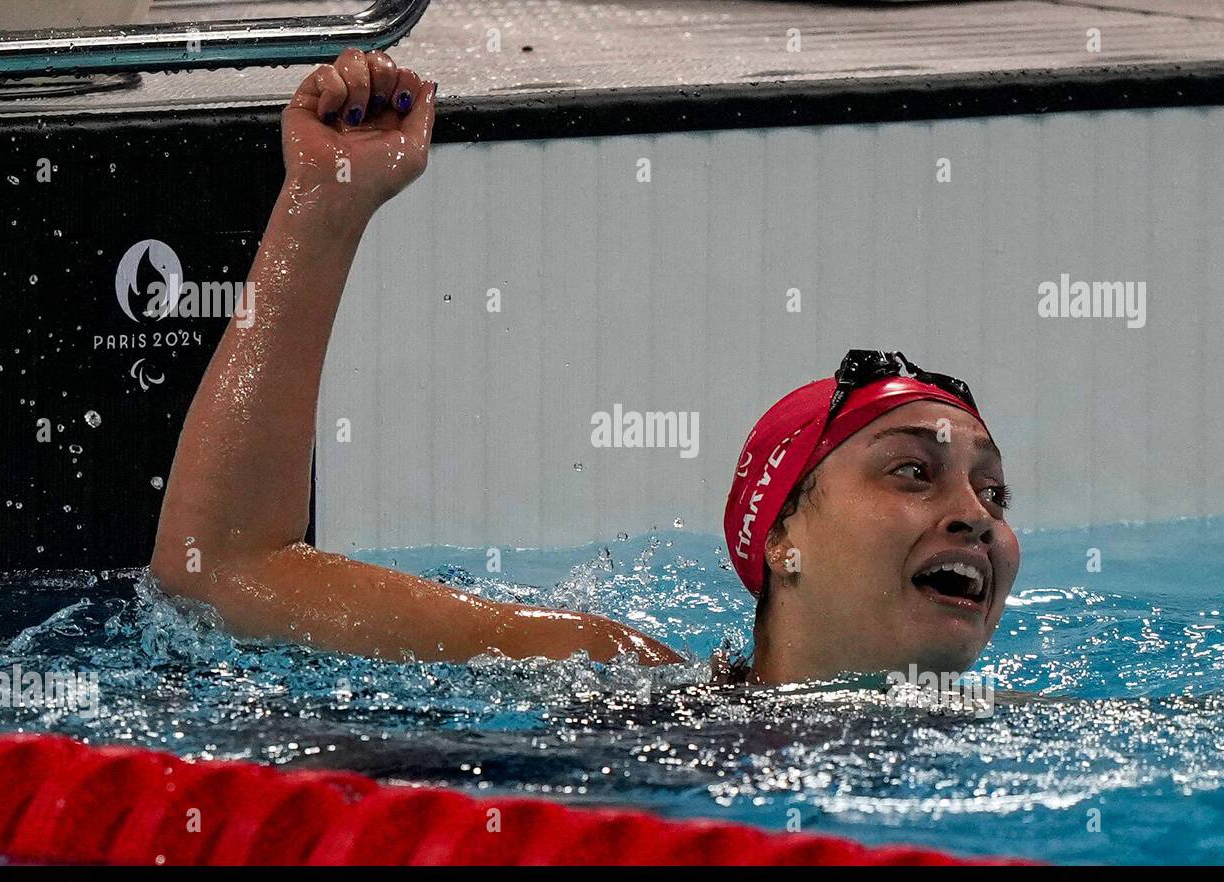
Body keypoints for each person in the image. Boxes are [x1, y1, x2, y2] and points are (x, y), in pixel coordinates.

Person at [150, 50, 1020, 686]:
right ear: (780, 537)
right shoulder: (615, 679)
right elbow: (223, 570)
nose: (976, 519)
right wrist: (325, 204)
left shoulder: (1046, 736)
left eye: (995, 494)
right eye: (913, 470)